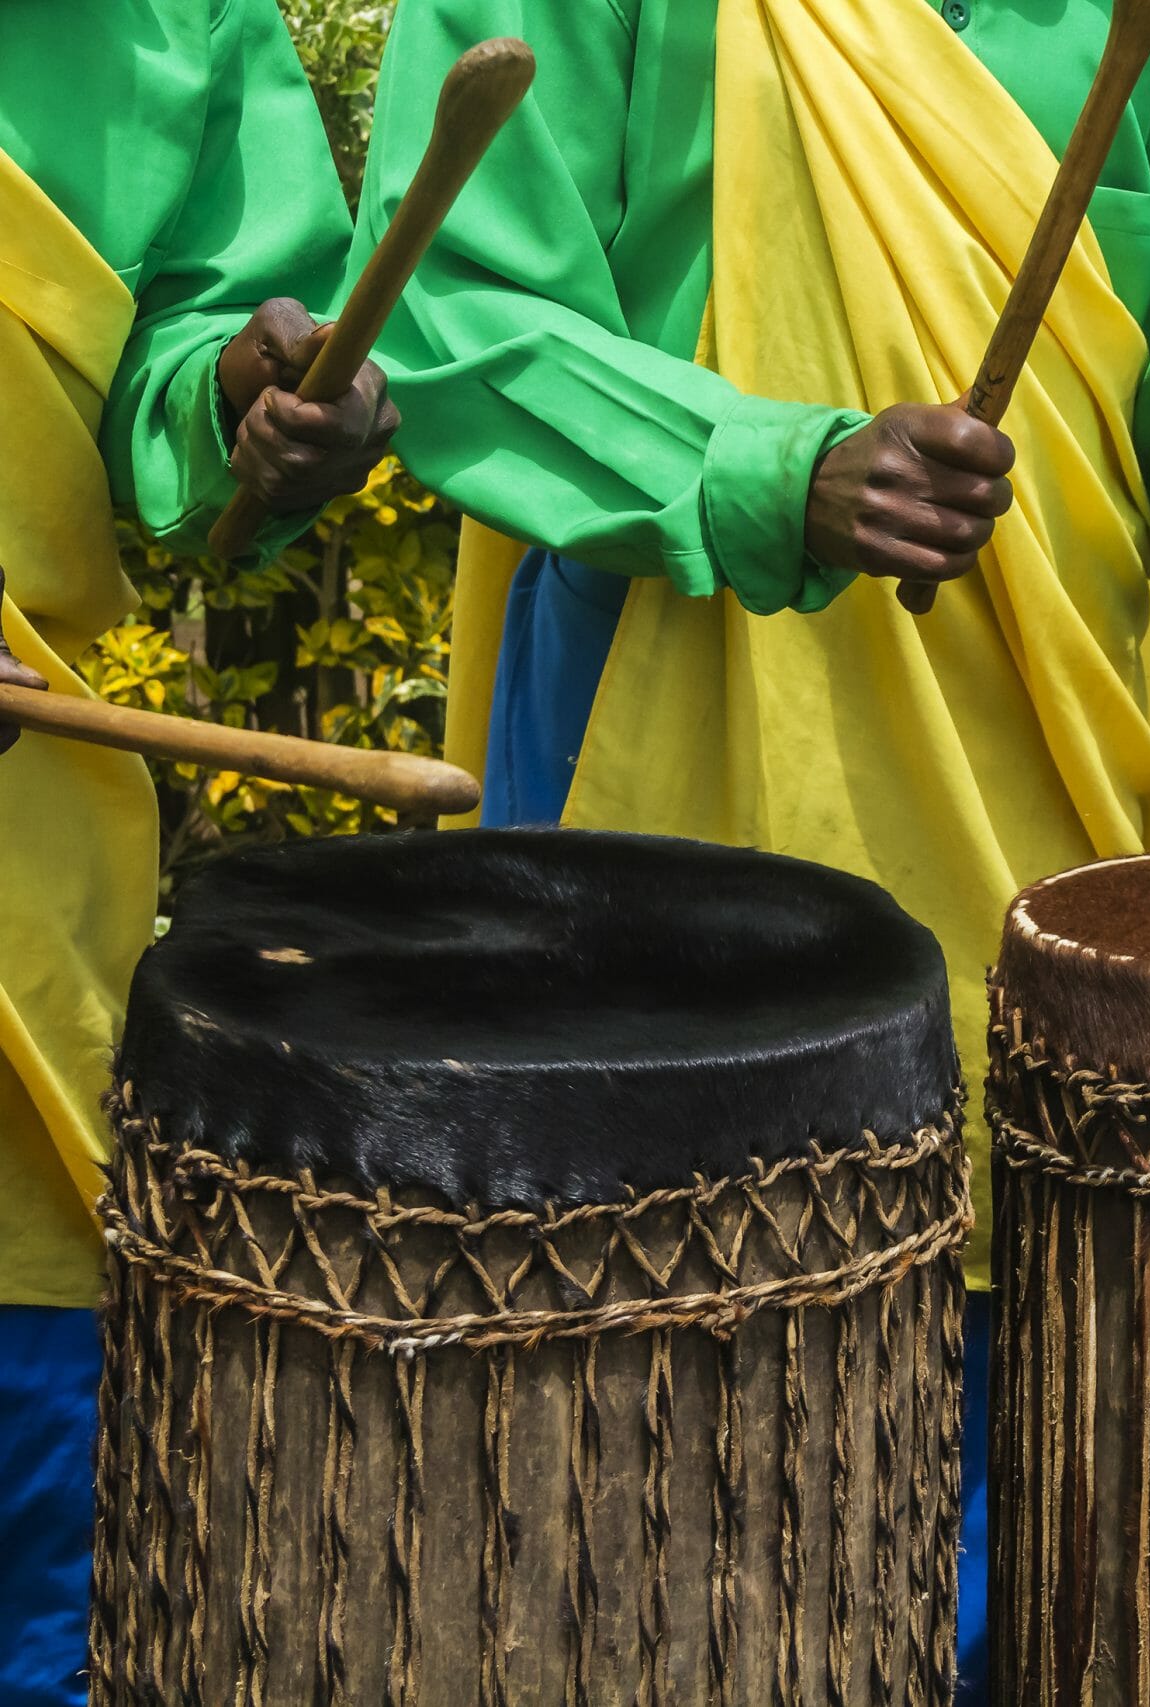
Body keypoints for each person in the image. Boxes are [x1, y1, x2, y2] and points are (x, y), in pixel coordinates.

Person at [358, 0, 1150, 1692]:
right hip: (646, 806)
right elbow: (450, 318)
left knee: (998, 1495)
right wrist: (771, 469)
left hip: (1040, 805)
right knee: (610, 1498)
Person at [0, 3, 397, 1699]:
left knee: (53, 1592)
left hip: (25, 880)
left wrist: (247, 388)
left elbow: (179, 369)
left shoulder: (183, 22)